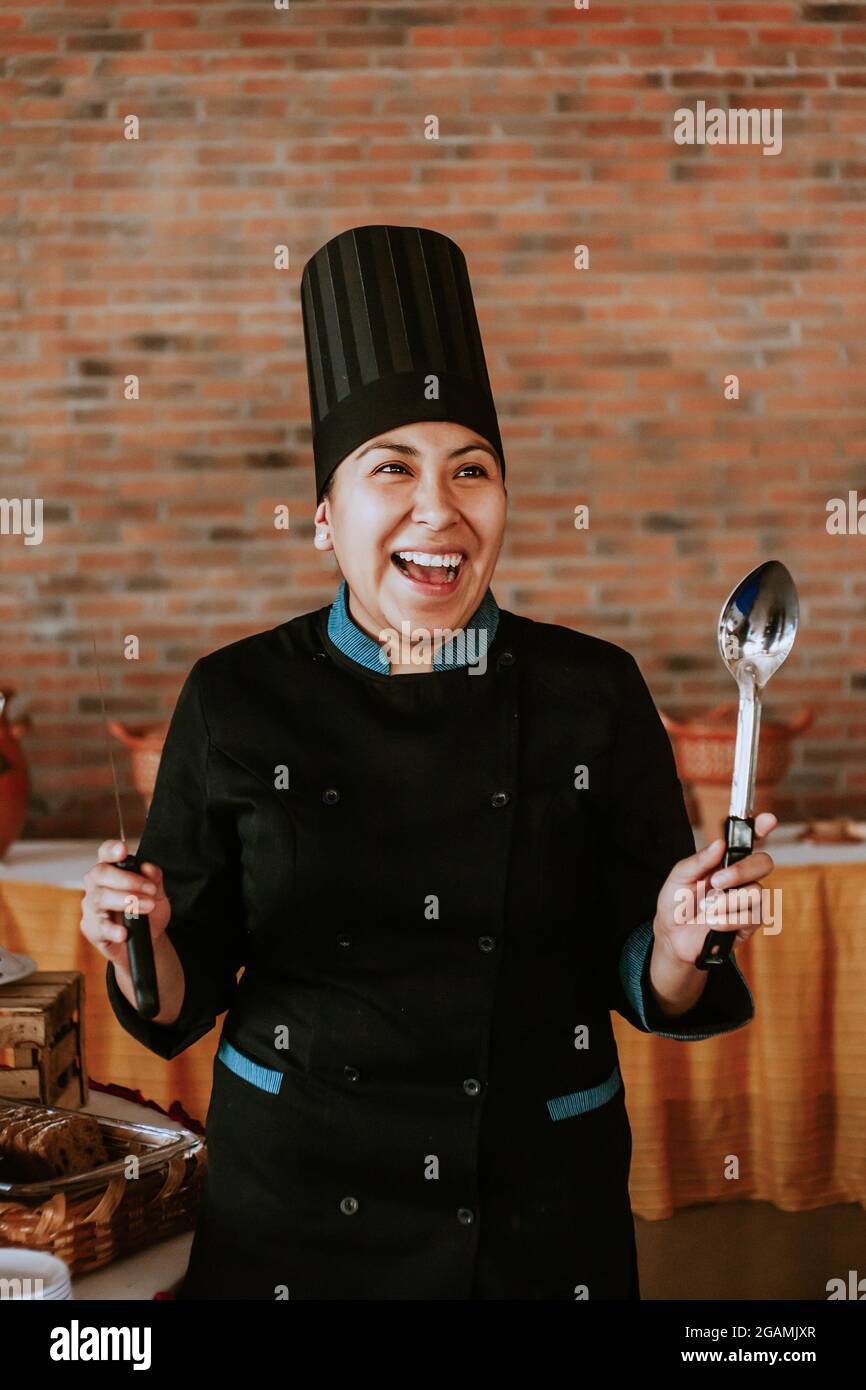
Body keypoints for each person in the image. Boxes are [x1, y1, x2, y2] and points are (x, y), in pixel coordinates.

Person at [80, 225, 777, 1301]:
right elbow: (181, 995)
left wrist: (684, 932)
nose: (438, 507)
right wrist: (142, 938)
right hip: (298, 1197)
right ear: (324, 516)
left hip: (531, 1197)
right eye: (390, 467)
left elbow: (646, 975)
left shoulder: (588, 689)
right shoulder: (236, 695)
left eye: (471, 470)